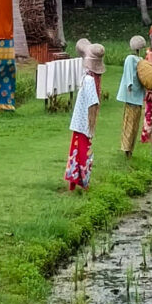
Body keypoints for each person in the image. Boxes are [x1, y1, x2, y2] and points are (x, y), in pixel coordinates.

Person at [64, 37, 102, 191]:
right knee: (84, 154)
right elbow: (93, 104)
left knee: (75, 152)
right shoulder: (89, 80)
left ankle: (73, 183)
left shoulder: (85, 77)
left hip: (77, 123)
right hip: (84, 124)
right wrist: (92, 127)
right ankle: (84, 183)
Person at [116, 35, 147, 156]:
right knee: (130, 122)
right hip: (133, 95)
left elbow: (139, 75)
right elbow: (130, 74)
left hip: (136, 95)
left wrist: (131, 85)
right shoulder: (135, 59)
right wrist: (130, 84)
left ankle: (129, 147)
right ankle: (127, 148)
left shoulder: (138, 60)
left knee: (133, 123)